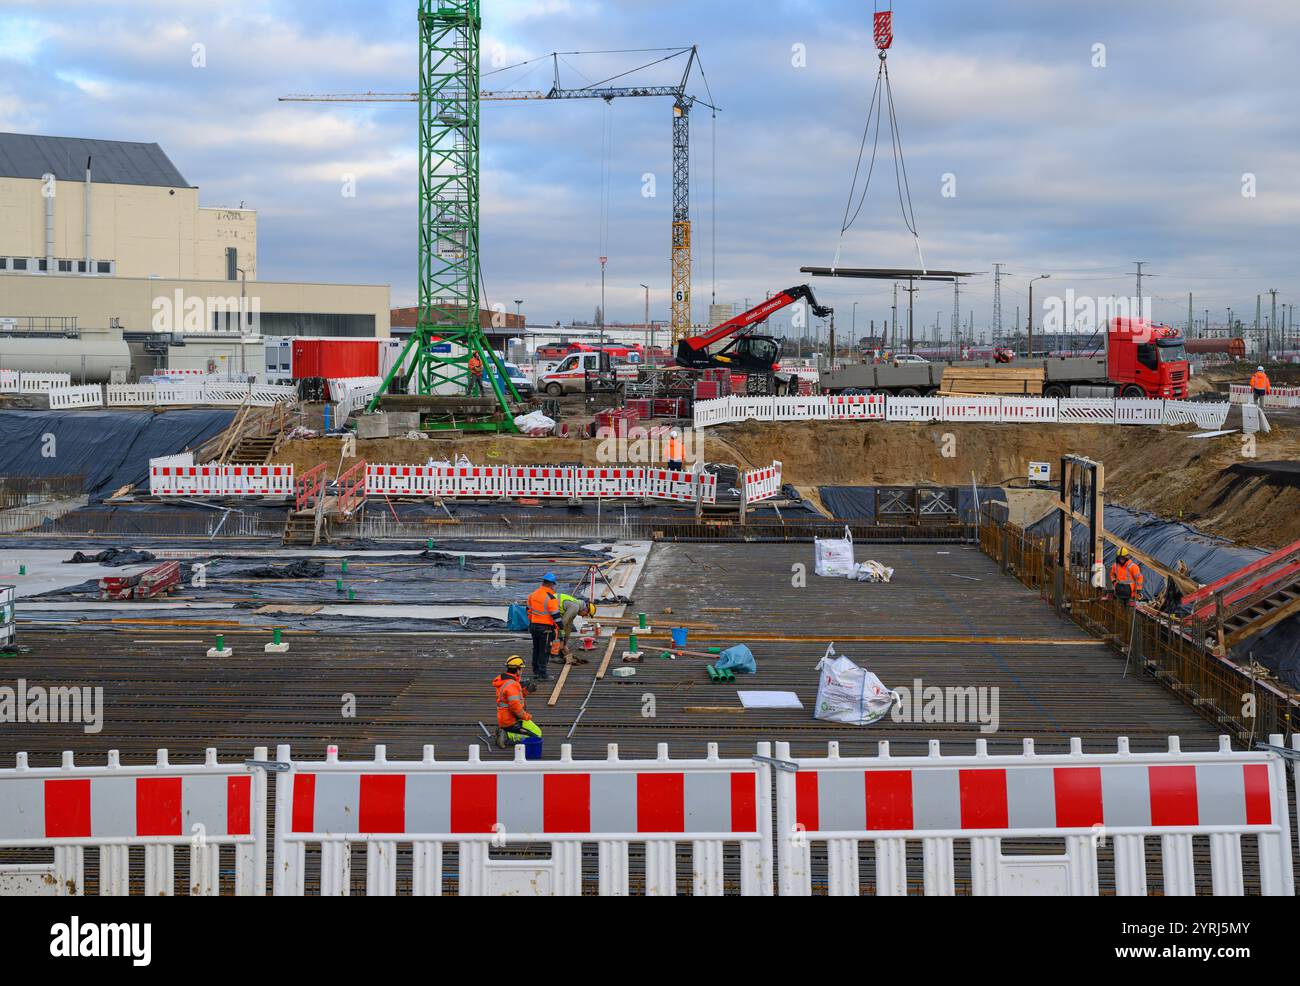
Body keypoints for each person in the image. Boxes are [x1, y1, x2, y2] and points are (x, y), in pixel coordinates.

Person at [493, 655, 541, 749]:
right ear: (518, 670)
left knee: (534, 732)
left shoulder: (506, 681)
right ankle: (506, 735)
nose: (522, 671)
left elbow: (512, 698)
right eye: (521, 669)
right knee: (537, 735)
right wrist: (526, 717)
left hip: (506, 718)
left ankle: (504, 731)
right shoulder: (512, 685)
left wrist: (526, 691)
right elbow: (515, 707)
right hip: (511, 720)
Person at [526, 572, 560, 680]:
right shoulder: (551, 598)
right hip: (546, 629)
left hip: (534, 626)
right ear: (551, 584)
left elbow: (528, 610)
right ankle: (542, 674)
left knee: (536, 649)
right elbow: (556, 616)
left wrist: (533, 621)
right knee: (544, 651)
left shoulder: (533, 594)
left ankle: (536, 672)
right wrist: (561, 627)